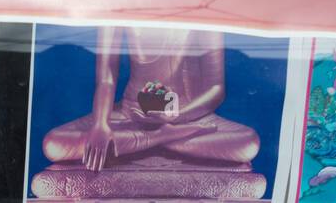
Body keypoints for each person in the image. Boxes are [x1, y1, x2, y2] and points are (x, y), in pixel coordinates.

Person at [42, 27, 261, 173]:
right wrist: (101, 124)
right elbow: (107, 78)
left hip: (188, 115)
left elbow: (216, 88)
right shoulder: (120, 0)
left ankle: (153, 138)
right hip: (130, 113)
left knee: (247, 142)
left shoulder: (201, 3)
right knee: (54, 143)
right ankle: (164, 137)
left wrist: (177, 116)